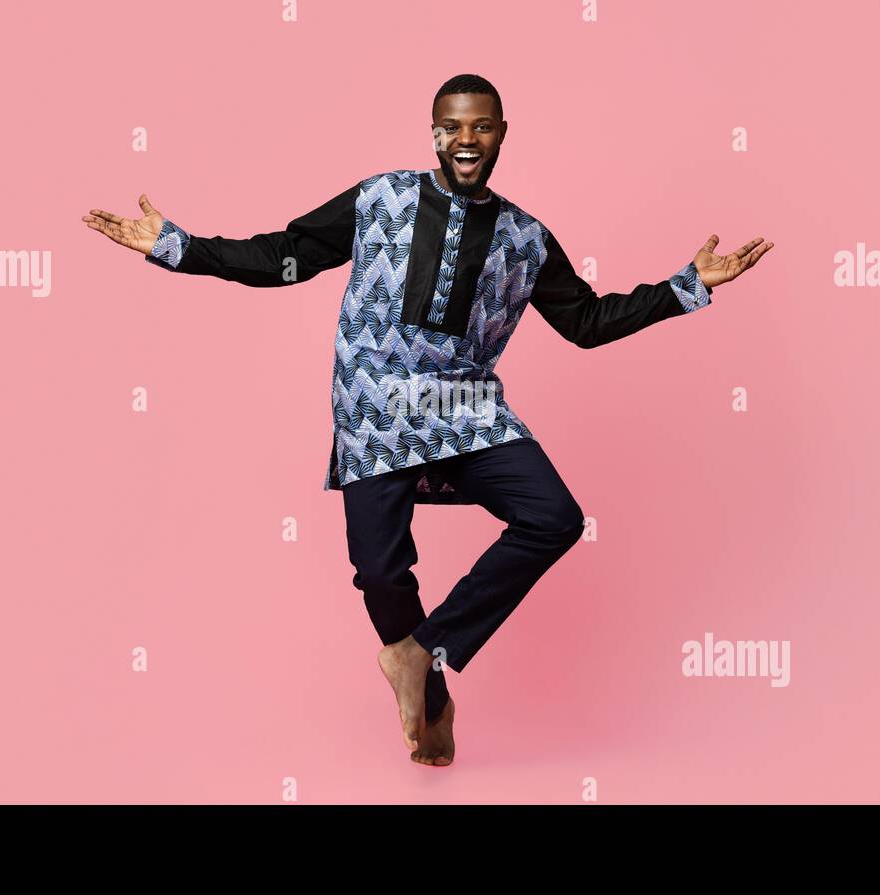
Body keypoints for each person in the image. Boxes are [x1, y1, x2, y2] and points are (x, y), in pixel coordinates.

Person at [82, 73, 773, 767]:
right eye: (453, 125)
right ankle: (432, 694)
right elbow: (284, 255)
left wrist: (686, 288)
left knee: (554, 515)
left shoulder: (526, 238)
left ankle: (419, 653)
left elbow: (586, 322)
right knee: (379, 571)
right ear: (433, 131)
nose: (466, 139)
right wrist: (177, 245)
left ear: (502, 133)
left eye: (482, 126)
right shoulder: (379, 198)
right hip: (376, 402)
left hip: (461, 403)